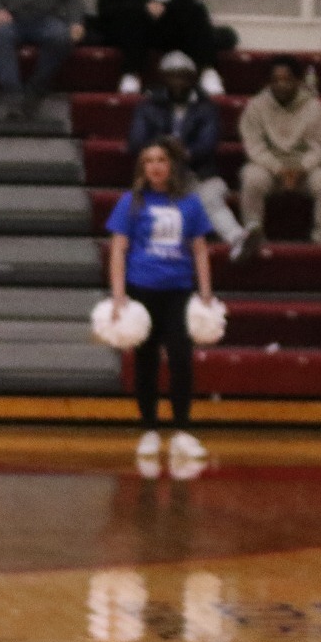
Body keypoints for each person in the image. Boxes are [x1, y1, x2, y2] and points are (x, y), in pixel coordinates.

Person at [106, 137, 215, 464]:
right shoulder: (131, 202)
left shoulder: (191, 203)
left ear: (172, 166)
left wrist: (206, 292)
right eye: (149, 160)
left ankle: (182, 431)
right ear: (142, 167)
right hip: (141, 290)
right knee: (146, 360)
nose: (155, 166)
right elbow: (118, 249)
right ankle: (149, 430)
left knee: (181, 359)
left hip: (178, 291)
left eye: (162, 160)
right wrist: (118, 294)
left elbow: (199, 250)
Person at [128, 50, 247, 256]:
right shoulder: (147, 106)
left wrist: (183, 155)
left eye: (183, 75)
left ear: (193, 78)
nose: (178, 82)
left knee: (210, 197)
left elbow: (208, 144)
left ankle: (238, 238)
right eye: (172, 75)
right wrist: (166, 152)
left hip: (198, 172)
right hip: (159, 173)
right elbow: (137, 142)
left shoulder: (207, 107)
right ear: (163, 77)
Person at [238, 53, 321, 248]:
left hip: (305, 169)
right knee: (252, 179)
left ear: (298, 80)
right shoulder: (256, 106)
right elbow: (254, 147)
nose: (281, 85)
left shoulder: (314, 107)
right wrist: (278, 168)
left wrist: (301, 168)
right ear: (268, 82)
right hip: (268, 167)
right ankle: (253, 239)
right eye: (276, 80)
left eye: (287, 80)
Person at [0, 0, 84, 121]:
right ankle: (13, 97)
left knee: (62, 37)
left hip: (47, 19)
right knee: (0, 34)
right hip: (11, 18)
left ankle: (34, 92)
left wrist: (76, 21)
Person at [95, 0, 222, 95]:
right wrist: (142, 8)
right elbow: (105, 7)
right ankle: (131, 75)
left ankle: (208, 71)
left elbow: (186, 1)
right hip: (133, 30)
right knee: (132, 20)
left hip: (168, 28)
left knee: (198, 11)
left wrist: (165, 8)